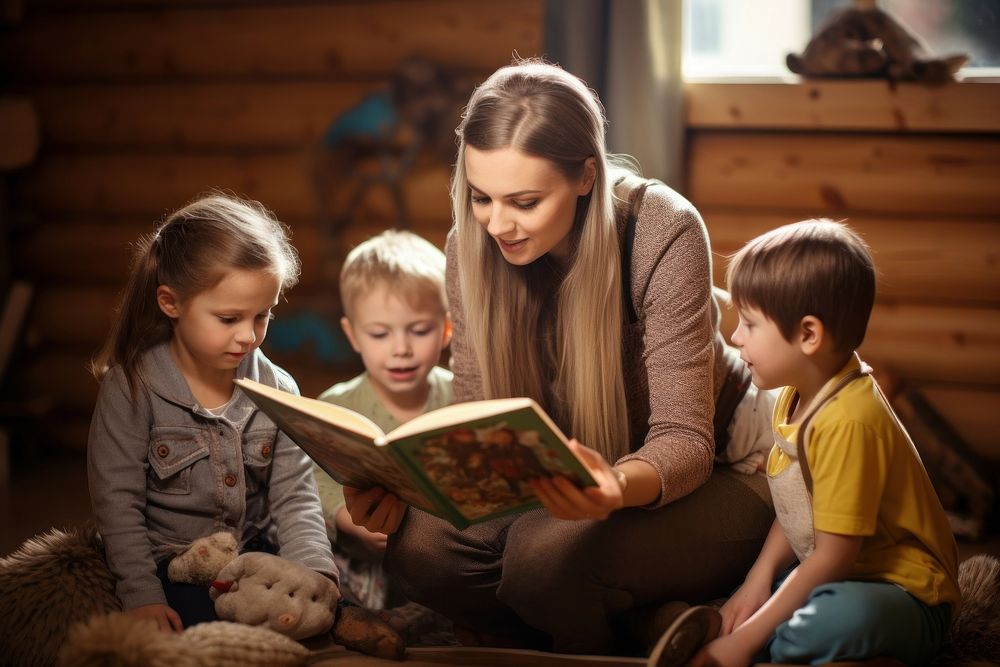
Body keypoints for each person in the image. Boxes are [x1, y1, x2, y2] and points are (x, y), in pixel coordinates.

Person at [341, 59, 776, 656]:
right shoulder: (468, 248)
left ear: (585, 177)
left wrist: (613, 488)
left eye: (523, 201)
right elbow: (482, 426)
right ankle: (644, 624)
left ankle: (570, 617)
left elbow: (686, 442)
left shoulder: (661, 229)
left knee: (541, 563)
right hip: (566, 481)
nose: (497, 224)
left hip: (721, 471)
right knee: (417, 551)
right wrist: (407, 491)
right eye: (479, 197)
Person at [689, 220, 959, 666]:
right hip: (848, 575)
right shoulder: (793, 397)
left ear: (808, 335)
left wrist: (747, 638)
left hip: (908, 594)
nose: (735, 337)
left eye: (750, 324)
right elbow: (797, 506)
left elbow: (832, 557)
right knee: (757, 599)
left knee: (811, 625)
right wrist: (755, 581)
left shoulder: (849, 421)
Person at [88, 193, 338, 633]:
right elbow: (117, 504)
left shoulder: (279, 390)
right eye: (228, 318)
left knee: (322, 622)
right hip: (172, 563)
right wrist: (140, 595)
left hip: (257, 558)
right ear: (171, 304)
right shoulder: (132, 388)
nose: (248, 336)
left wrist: (314, 578)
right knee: (207, 632)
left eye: (262, 316)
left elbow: (296, 498)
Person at [312, 229, 453, 608]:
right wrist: (347, 519)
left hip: (446, 559)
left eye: (420, 330)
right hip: (361, 562)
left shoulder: (461, 395)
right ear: (353, 335)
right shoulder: (337, 406)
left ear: (446, 328)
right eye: (379, 334)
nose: (401, 349)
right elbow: (314, 481)